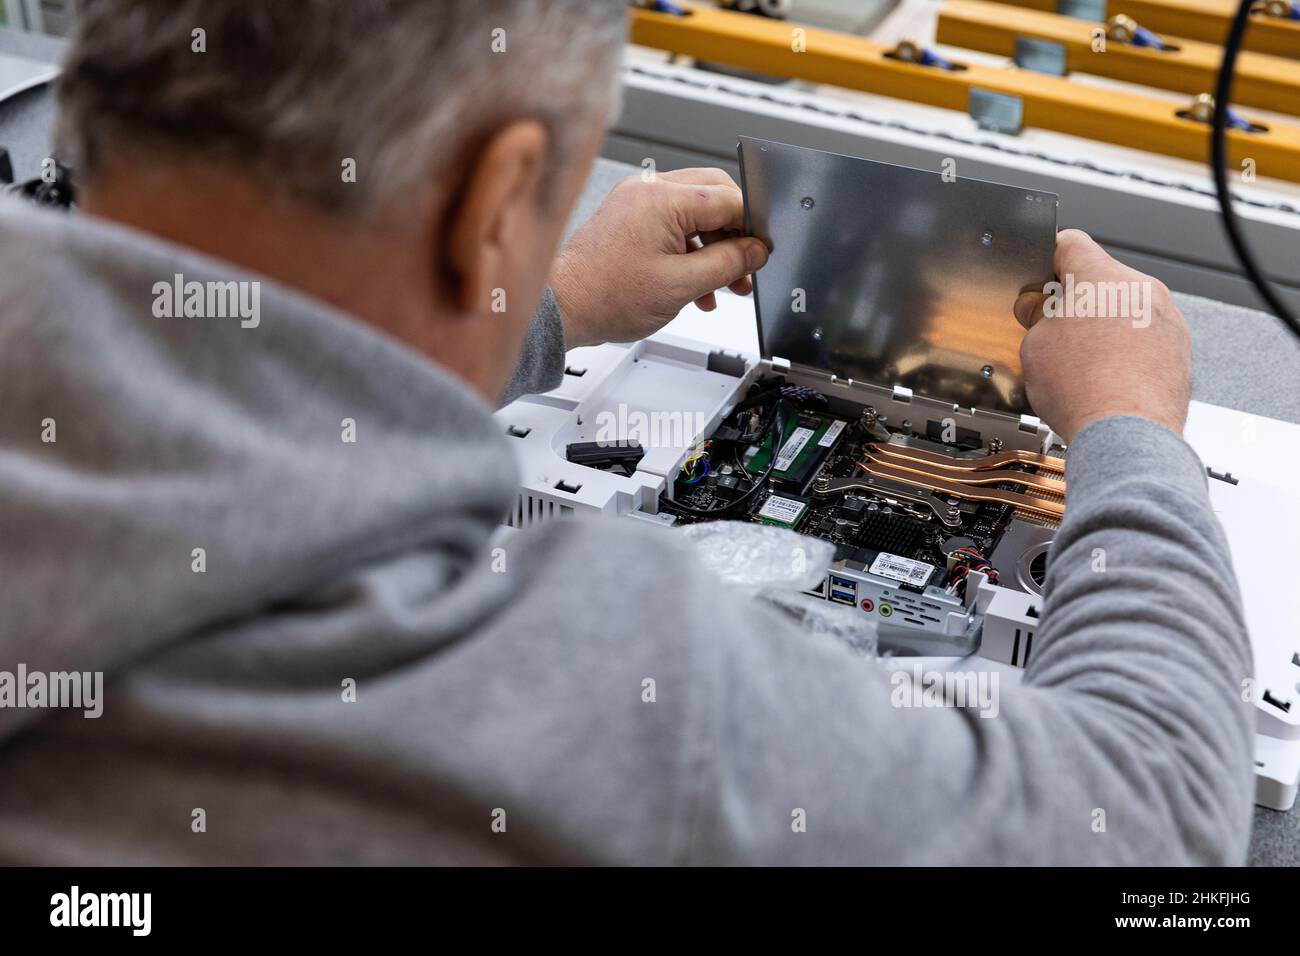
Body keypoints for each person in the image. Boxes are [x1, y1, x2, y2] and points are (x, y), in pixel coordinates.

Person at [0, 0, 1252, 864]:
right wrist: (1131, 424)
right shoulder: (592, 690)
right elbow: (1150, 816)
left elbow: (237, 408)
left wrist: (543, 307)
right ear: (497, 196)